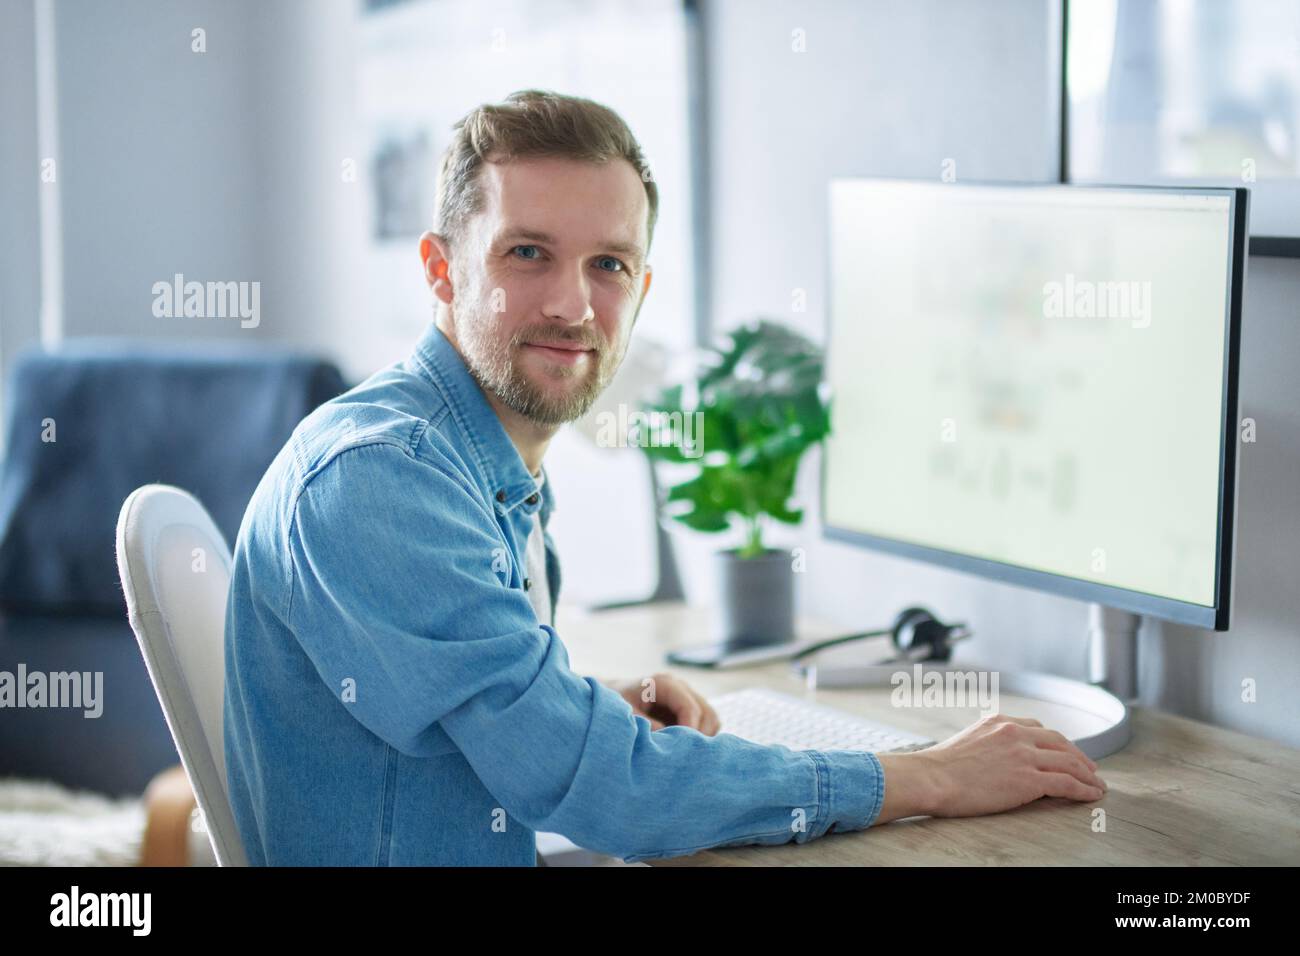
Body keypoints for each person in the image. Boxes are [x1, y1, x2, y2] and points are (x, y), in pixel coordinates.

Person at [223, 89, 1106, 866]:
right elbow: (611, 794)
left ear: (641, 291)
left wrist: (585, 707)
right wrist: (926, 776)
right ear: (441, 270)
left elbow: (464, 721)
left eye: (607, 265)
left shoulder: (479, 461)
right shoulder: (384, 479)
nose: (573, 304)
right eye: (527, 252)